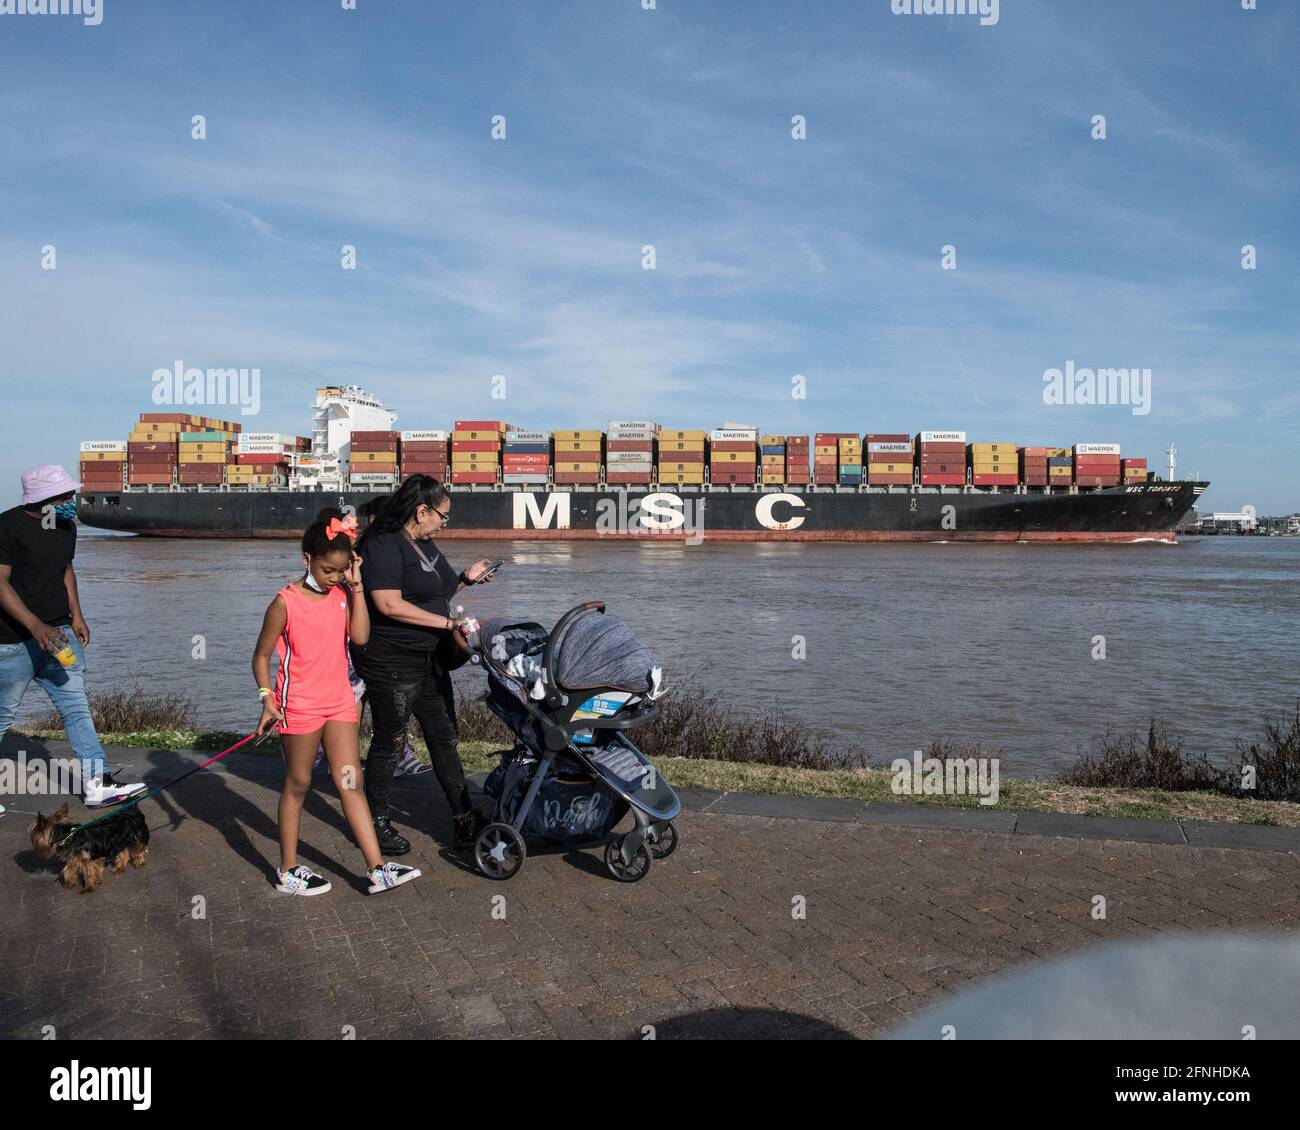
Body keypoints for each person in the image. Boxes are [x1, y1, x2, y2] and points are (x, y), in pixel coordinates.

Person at [252, 508, 419, 896]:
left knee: (350, 782)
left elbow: (360, 637)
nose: (333, 578)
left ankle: (377, 869)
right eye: (328, 570)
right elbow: (261, 656)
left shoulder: (344, 593)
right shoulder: (285, 602)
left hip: (340, 702)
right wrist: (266, 698)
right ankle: (288, 870)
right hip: (299, 706)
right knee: (299, 783)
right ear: (306, 559)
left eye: (340, 570)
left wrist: (356, 586)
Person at [352, 477, 495, 853]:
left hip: (429, 659)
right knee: (391, 741)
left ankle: (463, 818)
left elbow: (439, 591)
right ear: (421, 511)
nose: (445, 523)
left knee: (444, 737)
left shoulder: (424, 545)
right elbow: (388, 605)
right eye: (443, 517)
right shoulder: (382, 545)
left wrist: (467, 578)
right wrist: (450, 624)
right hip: (390, 661)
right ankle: (376, 823)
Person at [0, 465, 143, 808]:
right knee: (3, 714)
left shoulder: (66, 527)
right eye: (63, 496)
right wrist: (35, 627)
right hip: (12, 641)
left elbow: (66, 571)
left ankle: (98, 783)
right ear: (42, 499)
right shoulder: (6, 526)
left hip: (60, 634)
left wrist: (77, 616)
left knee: (77, 709)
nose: (71, 501)